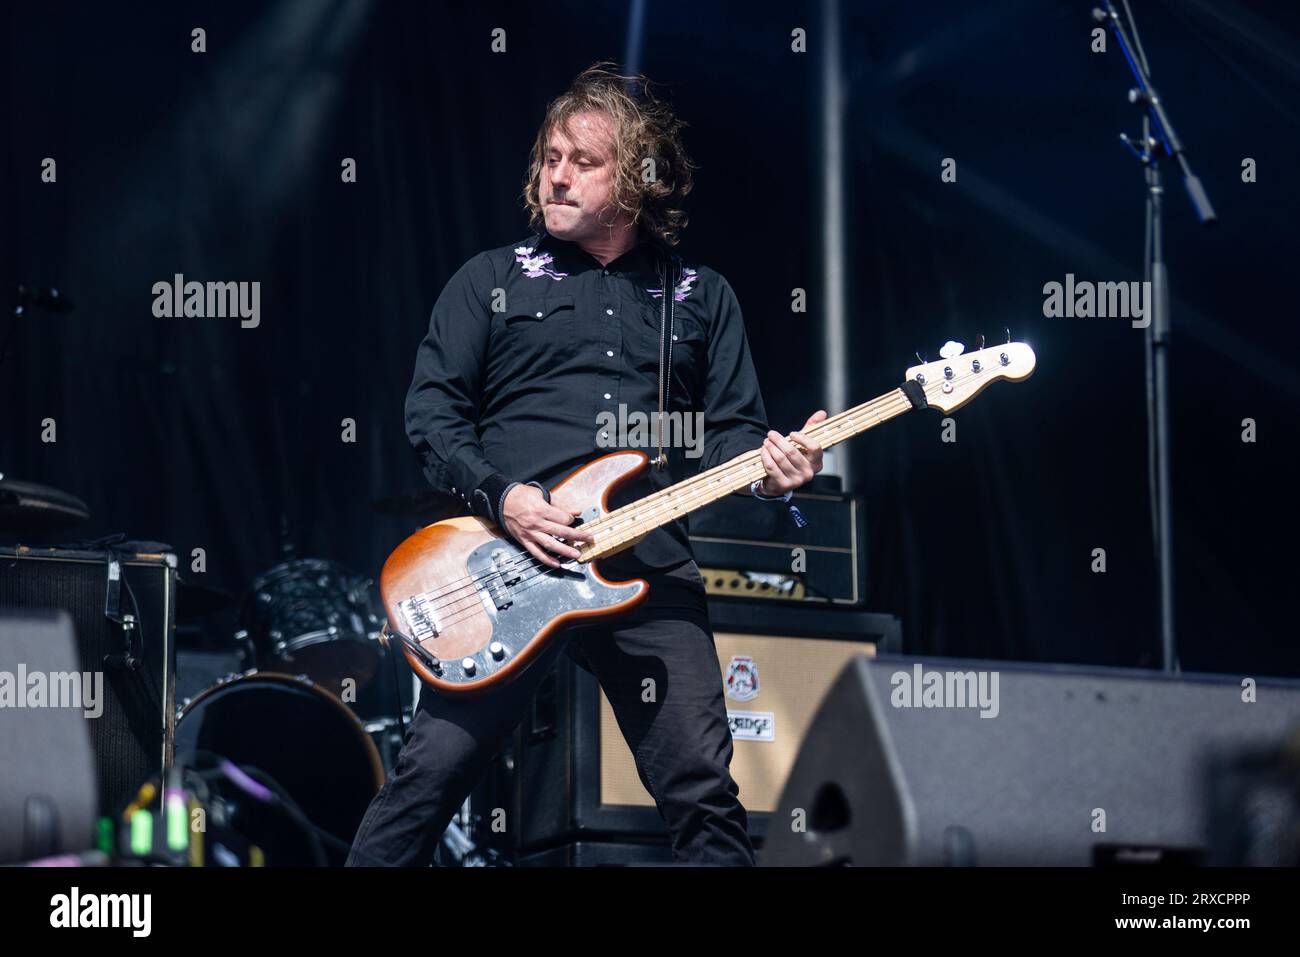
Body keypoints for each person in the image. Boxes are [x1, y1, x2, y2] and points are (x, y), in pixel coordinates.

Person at [347, 62, 825, 867]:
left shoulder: (700, 296)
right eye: (550, 157)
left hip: (648, 563)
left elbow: (733, 436)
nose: (556, 176)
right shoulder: (491, 281)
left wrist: (769, 468)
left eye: (583, 160)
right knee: (424, 781)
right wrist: (508, 500)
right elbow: (431, 417)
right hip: (508, 565)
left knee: (704, 791)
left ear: (637, 180)